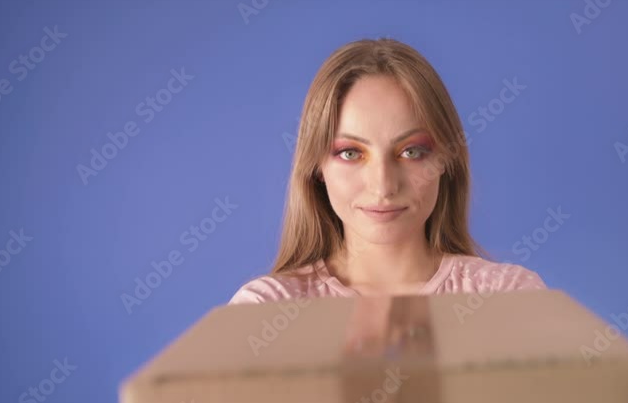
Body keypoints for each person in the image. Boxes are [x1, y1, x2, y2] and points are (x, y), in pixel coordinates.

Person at [229, 38, 546, 304]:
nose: (383, 186)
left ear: (447, 160)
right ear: (316, 168)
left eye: (411, 152)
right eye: (351, 153)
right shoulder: (264, 307)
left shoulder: (510, 297)